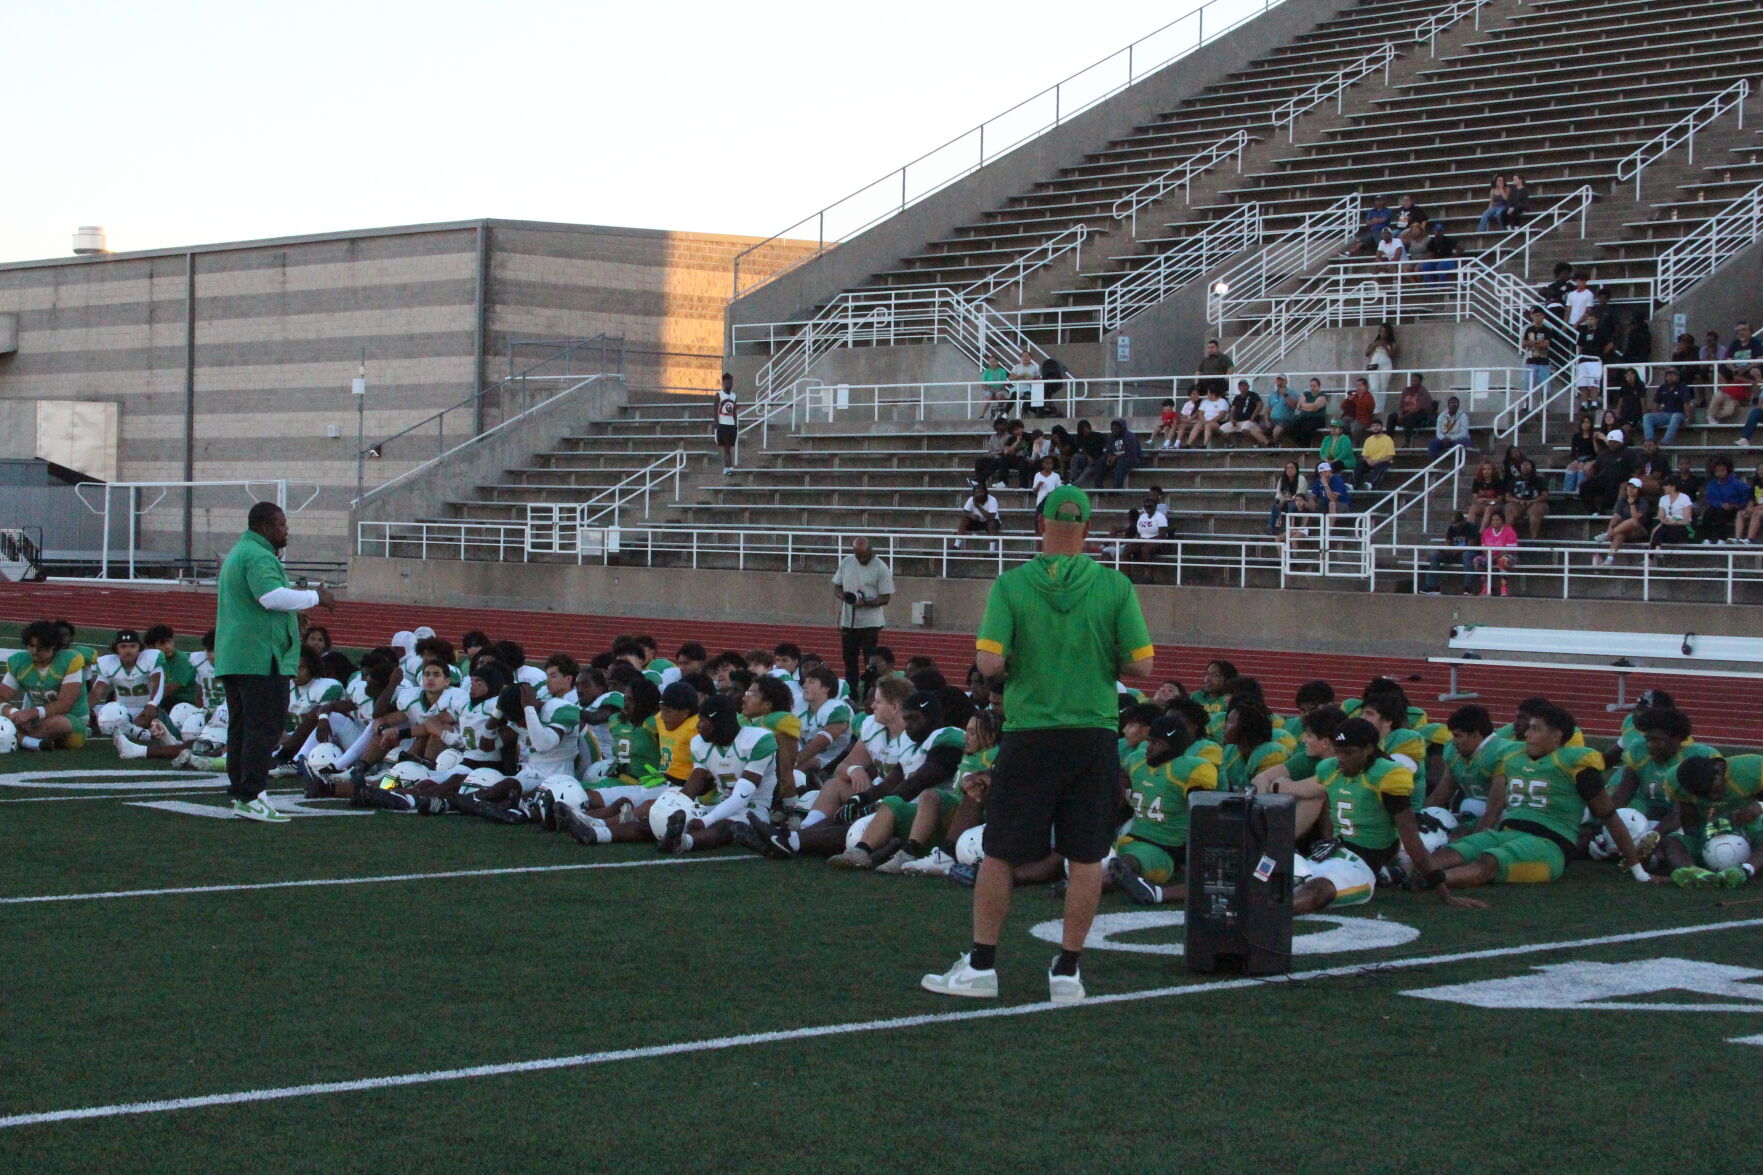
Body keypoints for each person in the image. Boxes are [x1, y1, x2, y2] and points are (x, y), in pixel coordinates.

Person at [922, 485, 1154, 1004]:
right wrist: (1095, 659)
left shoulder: (1013, 585)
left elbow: (987, 664)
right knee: (1087, 855)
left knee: (1000, 852)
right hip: (1092, 734)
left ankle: (982, 964)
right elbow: (1142, 664)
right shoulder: (1114, 587)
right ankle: (1068, 971)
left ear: (1039, 527)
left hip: (1031, 736)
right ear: (1089, 531)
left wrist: (1029, 659)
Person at [1428, 702, 1650, 890]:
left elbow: (1609, 815)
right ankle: (1399, 874)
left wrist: (1637, 869)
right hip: (1508, 831)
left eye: (1536, 729)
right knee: (1455, 850)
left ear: (1556, 736)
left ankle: (1434, 881)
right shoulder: (1512, 754)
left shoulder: (1576, 763)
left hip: (1549, 844)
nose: (1527, 734)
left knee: (1489, 861)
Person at [214, 502, 336, 823]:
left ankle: (243, 791)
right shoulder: (257, 554)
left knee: (242, 726)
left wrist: (292, 614)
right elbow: (271, 596)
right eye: (281, 524)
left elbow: (265, 603)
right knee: (263, 727)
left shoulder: (242, 552)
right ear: (265, 528)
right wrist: (314, 597)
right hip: (259, 657)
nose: (286, 530)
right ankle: (251, 794)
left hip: (239, 654)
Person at [0, 619, 90, 751]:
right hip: (36, 720)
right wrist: (14, 713)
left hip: (71, 720)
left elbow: (65, 703)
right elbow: (1, 696)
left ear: (53, 645)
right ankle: (33, 742)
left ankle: (21, 740)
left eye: (40, 647)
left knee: (58, 723)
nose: (34, 651)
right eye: (31, 646)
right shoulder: (19, 661)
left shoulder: (70, 660)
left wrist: (31, 714)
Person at [832, 538, 893, 702]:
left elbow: (885, 598)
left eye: (864, 555)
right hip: (848, 622)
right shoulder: (847, 562)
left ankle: (870, 693)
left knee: (870, 662)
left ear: (871, 550)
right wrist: (846, 597)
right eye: (858, 555)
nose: (861, 559)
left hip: (870, 623)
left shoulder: (880, 567)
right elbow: (837, 587)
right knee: (849, 660)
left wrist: (866, 603)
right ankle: (851, 693)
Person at [1419, 511, 1478, 595]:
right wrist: (1447, 550)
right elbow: (1447, 543)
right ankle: (1432, 587)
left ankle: (1468, 588)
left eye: (1456, 523)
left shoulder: (1471, 527)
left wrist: (1455, 550)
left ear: (1462, 521)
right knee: (1435, 556)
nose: (1454, 526)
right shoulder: (1451, 528)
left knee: (1466, 555)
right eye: (1452, 523)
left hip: (1468, 554)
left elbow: (1471, 545)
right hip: (1453, 554)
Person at [1600, 477, 1652, 564]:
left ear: (1639, 490)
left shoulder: (1643, 502)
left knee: (1632, 521)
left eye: (1634, 487)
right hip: (1624, 530)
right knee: (1619, 535)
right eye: (1629, 487)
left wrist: (1631, 503)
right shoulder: (1622, 501)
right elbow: (1616, 517)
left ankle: (1607, 535)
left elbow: (1636, 518)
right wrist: (1610, 528)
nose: (1631, 489)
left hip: (1640, 531)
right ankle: (1609, 559)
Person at [1472, 507, 1519, 597]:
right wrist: (1489, 556)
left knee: (1503, 560)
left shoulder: (1509, 531)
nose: (1495, 522)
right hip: (1490, 556)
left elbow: (1509, 549)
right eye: (1493, 520)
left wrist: (1495, 558)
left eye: (1498, 520)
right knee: (1477, 560)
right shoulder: (1487, 531)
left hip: (1509, 556)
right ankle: (1486, 586)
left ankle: (1504, 588)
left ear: (1503, 521)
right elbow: (1484, 547)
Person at [1643, 368, 1692, 446]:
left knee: (1675, 416)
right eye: (1668, 375)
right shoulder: (1662, 387)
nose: (1670, 378)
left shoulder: (1683, 387)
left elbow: (1686, 404)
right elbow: (1656, 404)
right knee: (1647, 416)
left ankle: (1665, 442)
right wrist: (1655, 416)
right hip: (1666, 414)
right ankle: (1649, 440)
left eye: (1673, 375)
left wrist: (1688, 419)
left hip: (1680, 414)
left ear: (1677, 377)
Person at [1503, 458, 1549, 541]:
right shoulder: (1514, 480)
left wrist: (1531, 501)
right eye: (1523, 465)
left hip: (1536, 503)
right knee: (1509, 509)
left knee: (1535, 511)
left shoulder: (1539, 480)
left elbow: (1545, 496)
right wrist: (1519, 501)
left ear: (1532, 467)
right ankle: (1507, 539)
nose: (1525, 467)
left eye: (1527, 464)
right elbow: (1507, 497)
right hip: (1518, 503)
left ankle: (1534, 540)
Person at [1387, 373, 1435, 446]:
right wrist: (1400, 414)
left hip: (1419, 415)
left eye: (1415, 380)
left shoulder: (1423, 392)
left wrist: (1403, 416)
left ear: (1420, 381)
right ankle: (1388, 441)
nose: (1413, 382)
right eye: (1412, 380)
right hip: (1405, 414)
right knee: (1392, 417)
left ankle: (1407, 442)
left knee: (1409, 417)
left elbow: (1418, 408)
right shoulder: (1407, 390)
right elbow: (1401, 405)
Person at [1650, 476, 1695, 548]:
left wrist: (1675, 522)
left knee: (1671, 530)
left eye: (1665, 485)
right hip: (1666, 525)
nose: (1663, 487)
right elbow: (1661, 516)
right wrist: (1667, 522)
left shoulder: (1685, 498)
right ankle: (1651, 557)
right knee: (1658, 530)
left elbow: (1686, 520)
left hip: (1681, 526)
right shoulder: (1663, 499)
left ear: (1673, 486)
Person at [1220, 379, 1268, 445]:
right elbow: (1232, 409)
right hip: (1237, 421)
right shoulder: (1237, 397)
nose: (1243, 387)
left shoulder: (1253, 395)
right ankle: (1230, 446)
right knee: (1221, 430)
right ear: (1238, 388)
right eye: (1241, 386)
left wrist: (1253, 416)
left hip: (1248, 421)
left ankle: (1255, 444)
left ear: (1248, 386)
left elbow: (1260, 404)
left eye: (1244, 385)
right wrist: (1231, 419)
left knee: (1245, 429)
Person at [1354, 418, 1395, 490]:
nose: (1375, 427)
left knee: (1381, 465)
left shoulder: (1388, 439)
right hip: (1371, 462)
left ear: (1382, 427)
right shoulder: (1368, 440)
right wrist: (1368, 460)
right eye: (1373, 426)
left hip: (1383, 462)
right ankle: (1355, 485)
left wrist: (1377, 461)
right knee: (1359, 464)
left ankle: (1371, 484)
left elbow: (1390, 456)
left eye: (1377, 425)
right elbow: (1365, 455)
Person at [1364, 323, 1397, 401]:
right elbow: (1367, 353)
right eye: (1381, 331)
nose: (1382, 334)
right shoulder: (1375, 342)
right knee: (1374, 387)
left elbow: (1392, 355)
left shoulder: (1392, 343)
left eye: (1384, 332)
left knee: (1383, 388)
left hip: (1385, 366)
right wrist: (1373, 345)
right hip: (1374, 366)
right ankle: (1374, 409)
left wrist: (1385, 346)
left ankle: (1380, 409)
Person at [714, 372, 738, 475]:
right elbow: (715, 410)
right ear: (723, 383)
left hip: (731, 425)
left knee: (729, 447)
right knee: (726, 447)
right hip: (723, 424)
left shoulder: (734, 396)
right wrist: (716, 423)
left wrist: (735, 424)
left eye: (731, 382)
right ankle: (728, 467)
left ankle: (729, 467)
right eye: (728, 382)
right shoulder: (719, 395)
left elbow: (734, 411)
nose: (730, 384)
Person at [1340, 377, 1377, 444]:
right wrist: (1348, 400)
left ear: (1365, 386)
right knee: (1342, 424)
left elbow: (1366, 407)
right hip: (1353, 418)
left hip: (1363, 420)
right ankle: (1345, 444)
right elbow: (1343, 407)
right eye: (1357, 386)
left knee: (1355, 427)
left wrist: (1355, 400)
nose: (1358, 387)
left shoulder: (1369, 397)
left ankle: (1355, 446)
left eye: (1360, 385)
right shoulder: (1355, 396)